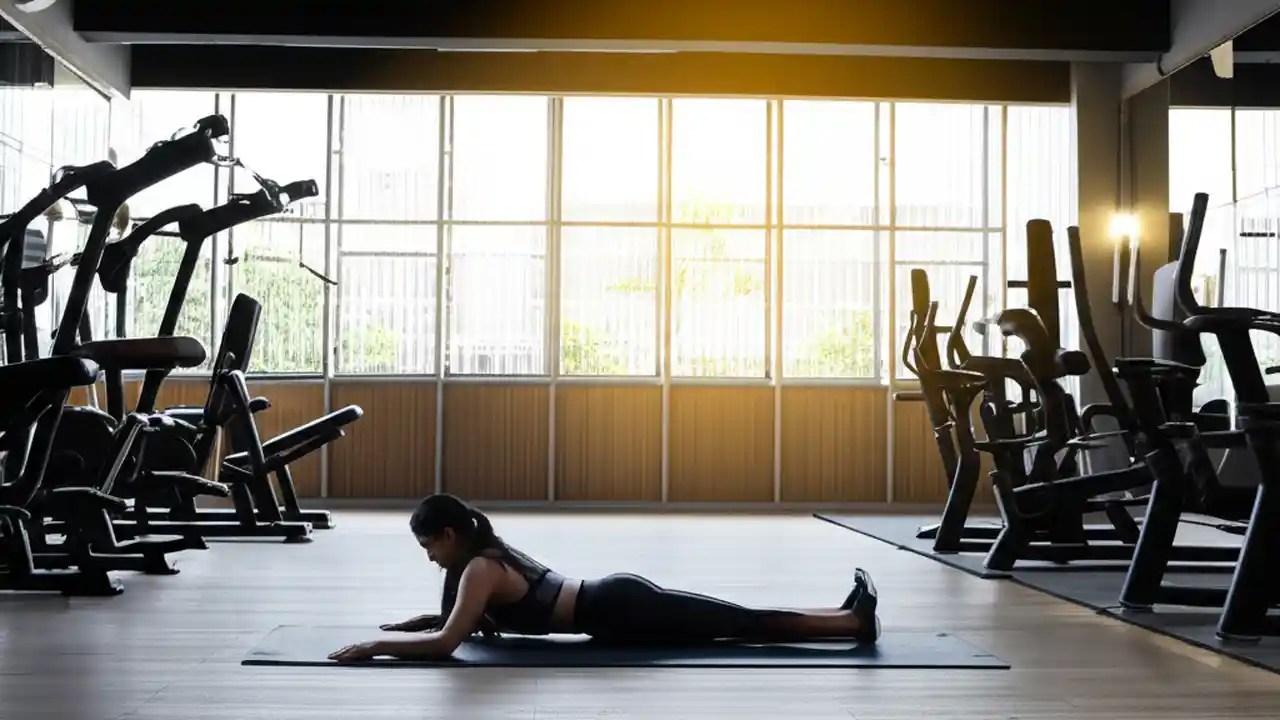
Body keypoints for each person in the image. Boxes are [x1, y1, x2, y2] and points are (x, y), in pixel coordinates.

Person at [329, 493, 880, 662]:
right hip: (616, 602)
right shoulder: (486, 555)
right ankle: (841, 615)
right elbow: (455, 624)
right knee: (732, 618)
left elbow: (449, 641)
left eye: (428, 546)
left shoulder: (480, 568)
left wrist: (377, 645)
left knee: (738, 624)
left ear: (450, 535)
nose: (427, 557)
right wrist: (411, 624)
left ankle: (849, 623)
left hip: (619, 608)